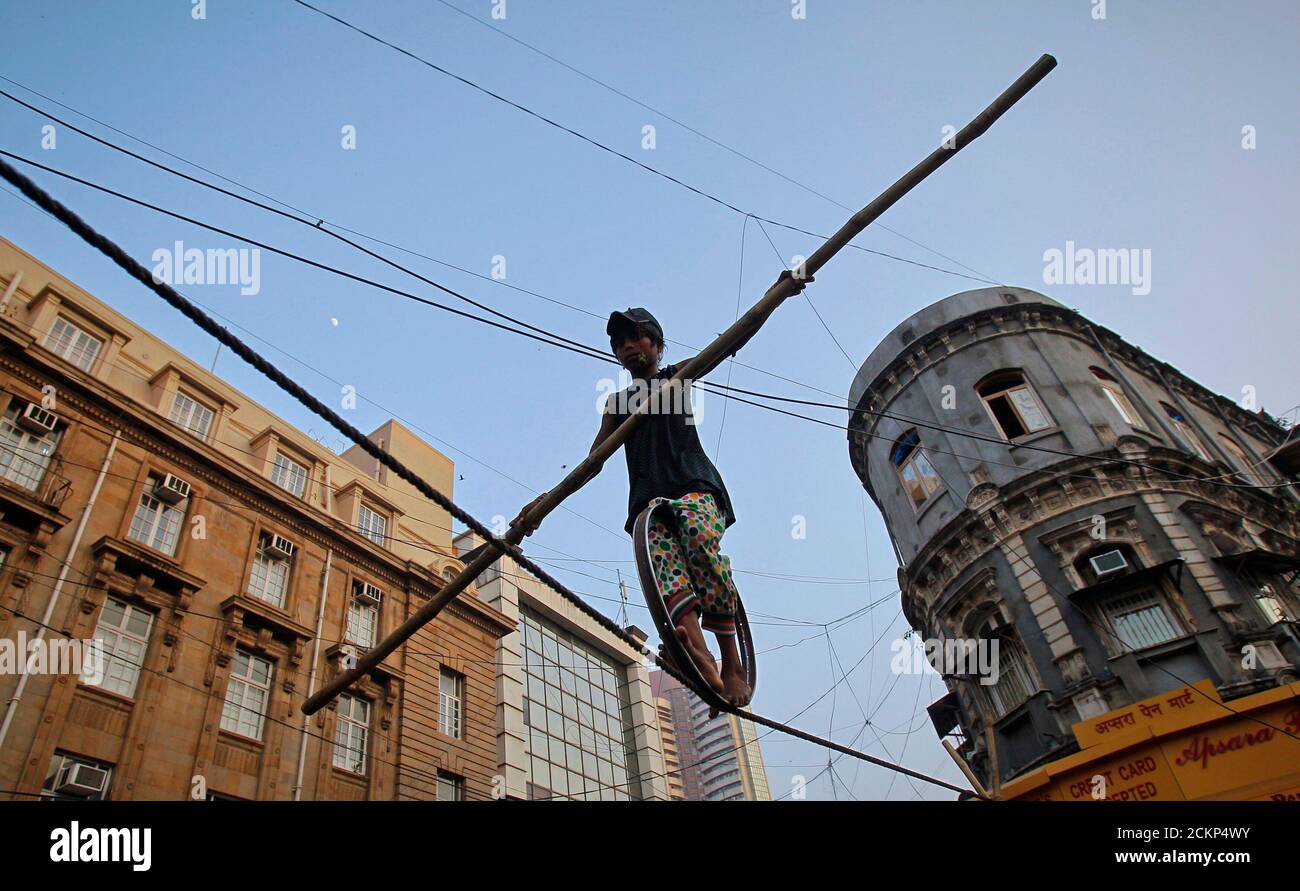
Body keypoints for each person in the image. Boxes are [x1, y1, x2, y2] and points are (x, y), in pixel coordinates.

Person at [511, 270, 810, 713]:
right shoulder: (617, 405)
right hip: (648, 504)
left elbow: (733, 338)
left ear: (655, 342)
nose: (628, 347)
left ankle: (731, 661)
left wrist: (777, 293)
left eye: (636, 338)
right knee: (664, 570)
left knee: (697, 537)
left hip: (694, 488)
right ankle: (696, 653)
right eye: (620, 343)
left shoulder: (678, 377)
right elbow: (592, 464)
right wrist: (542, 505)